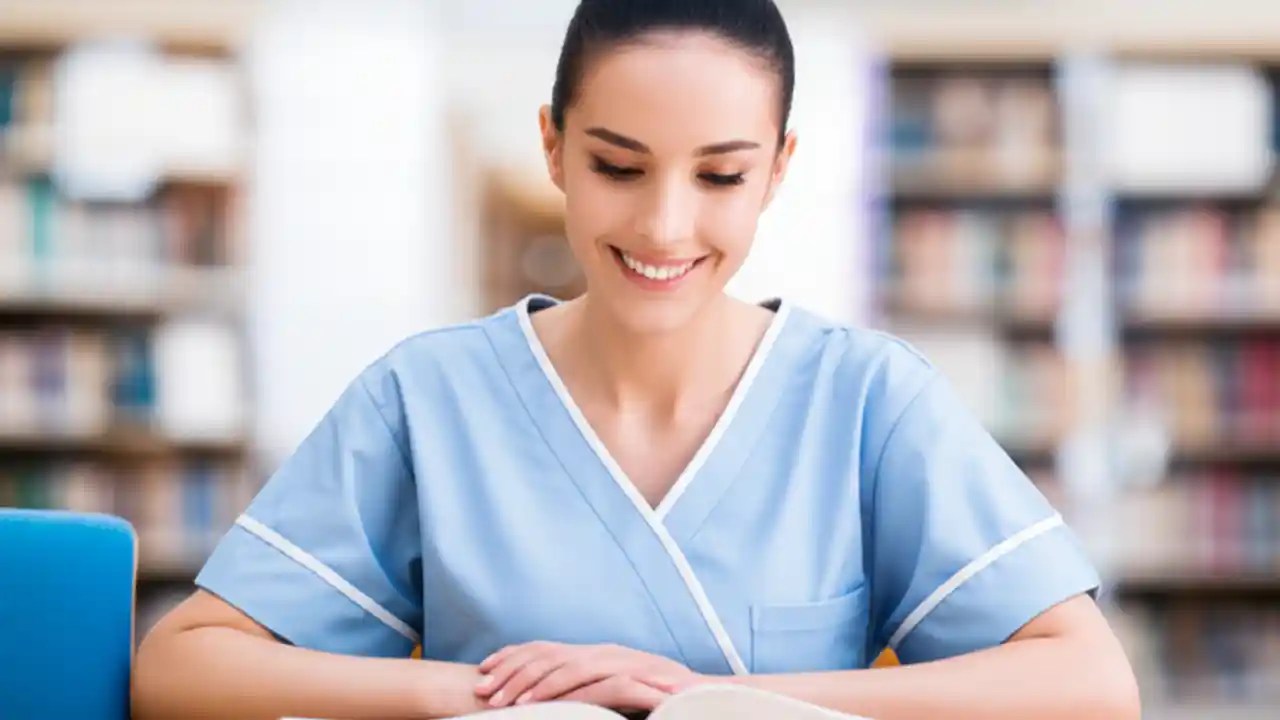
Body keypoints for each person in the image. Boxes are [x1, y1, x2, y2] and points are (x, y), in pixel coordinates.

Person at [131, 1, 1141, 718]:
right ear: (553, 148)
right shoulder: (427, 397)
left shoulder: (868, 399)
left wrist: (712, 698)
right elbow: (181, 669)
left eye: (720, 176)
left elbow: (1088, 686)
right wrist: (478, 693)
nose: (664, 226)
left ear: (777, 170)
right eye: (618, 166)